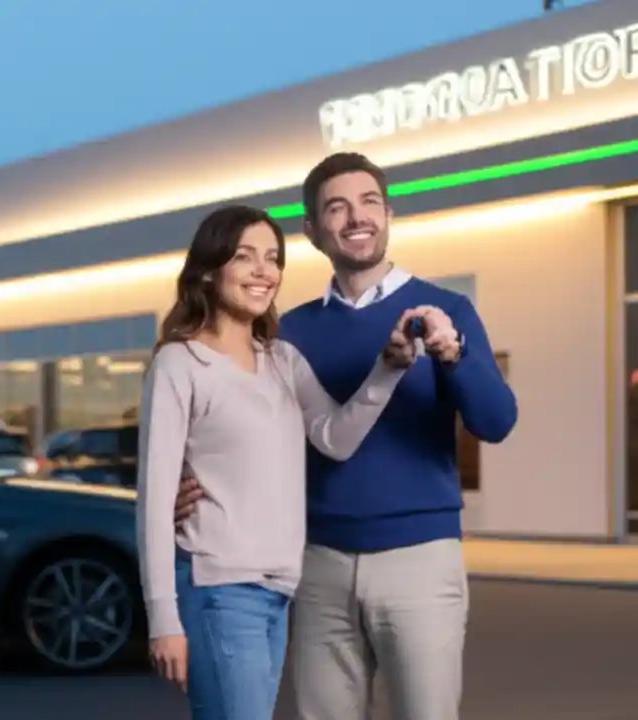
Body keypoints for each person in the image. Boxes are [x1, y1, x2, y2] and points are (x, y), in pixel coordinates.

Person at [173, 153, 519, 720]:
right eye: (337, 207)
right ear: (313, 231)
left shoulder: (447, 311)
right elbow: (243, 434)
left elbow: (496, 422)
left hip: (420, 561)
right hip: (317, 566)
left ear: (388, 215)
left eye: (369, 203)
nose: (357, 217)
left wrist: (453, 354)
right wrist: (188, 482)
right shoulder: (288, 332)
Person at [137, 204, 419, 720]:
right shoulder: (180, 363)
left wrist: (387, 370)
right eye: (245, 257)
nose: (263, 271)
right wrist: (163, 619)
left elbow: (335, 437)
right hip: (218, 588)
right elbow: (155, 501)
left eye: (272, 258)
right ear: (208, 269)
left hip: (278, 589)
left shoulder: (281, 360)